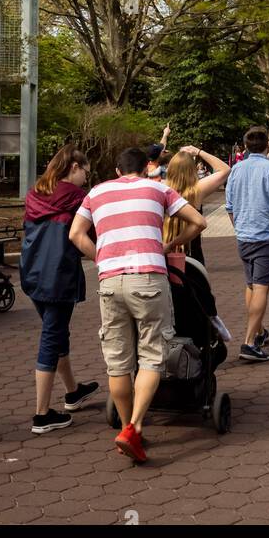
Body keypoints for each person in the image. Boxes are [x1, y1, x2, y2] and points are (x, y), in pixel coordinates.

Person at [69, 146, 206, 464]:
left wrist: (101, 258)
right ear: (146, 168)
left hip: (110, 282)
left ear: (117, 170)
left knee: (117, 363)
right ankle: (133, 427)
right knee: (151, 356)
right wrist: (170, 244)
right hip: (148, 279)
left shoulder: (96, 192)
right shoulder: (159, 188)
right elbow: (199, 222)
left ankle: (129, 425)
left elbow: (76, 234)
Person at [20, 143, 99, 434]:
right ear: (74, 167)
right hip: (59, 274)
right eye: (85, 173)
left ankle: (73, 392)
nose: (86, 180)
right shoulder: (78, 198)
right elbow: (91, 232)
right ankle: (41, 414)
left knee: (57, 331)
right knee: (51, 337)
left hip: (33, 271)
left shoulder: (35, 193)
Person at [225, 125, 269, 362]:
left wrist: (239, 227)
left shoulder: (236, 170)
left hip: (244, 235)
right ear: (267, 146)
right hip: (267, 235)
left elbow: (229, 206)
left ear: (245, 146)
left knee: (251, 284)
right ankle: (249, 342)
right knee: (261, 287)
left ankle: (259, 331)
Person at [163, 145, 230, 265]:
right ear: (192, 169)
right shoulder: (197, 189)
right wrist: (198, 152)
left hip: (165, 251)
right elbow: (225, 169)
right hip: (191, 254)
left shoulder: (161, 189)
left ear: (171, 168)